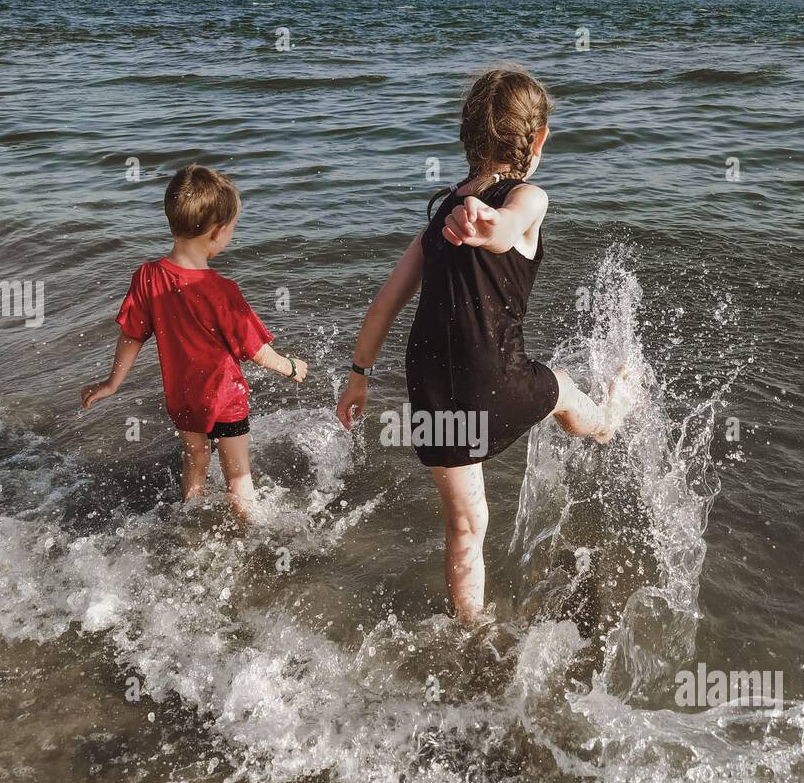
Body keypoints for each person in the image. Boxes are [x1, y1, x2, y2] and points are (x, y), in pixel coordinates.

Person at [336, 68, 637, 623]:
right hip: (495, 378)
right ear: (539, 139)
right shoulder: (528, 198)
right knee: (563, 389)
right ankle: (608, 422)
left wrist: (359, 373)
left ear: (466, 135)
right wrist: (491, 223)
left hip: (432, 390)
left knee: (466, 527)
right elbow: (510, 226)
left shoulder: (441, 219)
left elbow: (385, 303)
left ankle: (470, 626)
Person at [81, 164, 307, 516]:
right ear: (217, 233)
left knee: (195, 458)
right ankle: (249, 534)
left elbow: (132, 334)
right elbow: (256, 352)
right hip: (225, 399)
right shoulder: (221, 291)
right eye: (232, 229)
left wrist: (113, 382)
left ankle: (189, 519)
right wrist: (290, 366)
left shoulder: (147, 277)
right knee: (237, 475)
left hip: (183, 398)